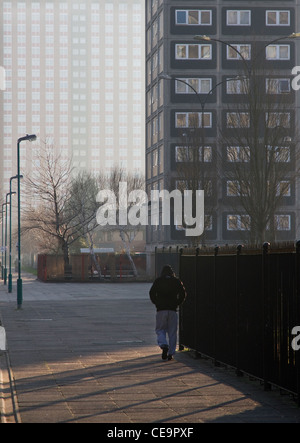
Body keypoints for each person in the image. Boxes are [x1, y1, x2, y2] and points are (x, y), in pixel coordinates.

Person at [149, 265, 187, 361]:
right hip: (173, 309)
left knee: (160, 329)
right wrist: (178, 303)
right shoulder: (176, 281)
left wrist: (156, 303)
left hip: (161, 309)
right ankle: (171, 353)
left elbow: (152, 293)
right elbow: (183, 293)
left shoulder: (158, 281)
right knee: (172, 332)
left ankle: (163, 344)